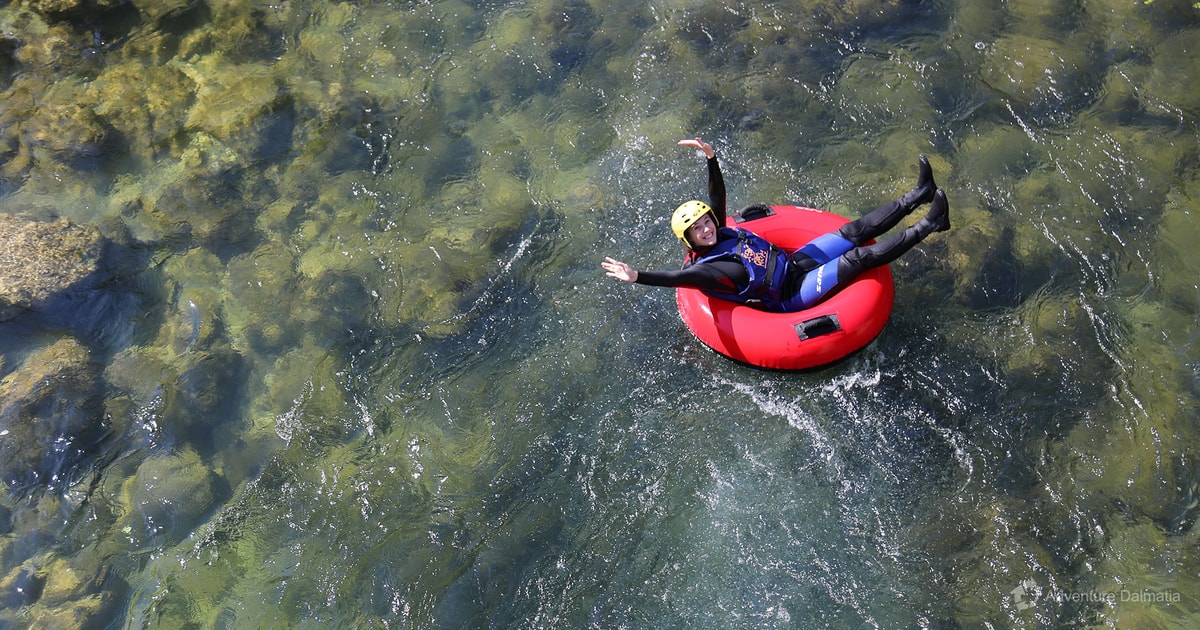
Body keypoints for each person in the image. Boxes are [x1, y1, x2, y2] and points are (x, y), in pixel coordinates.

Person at [601, 138, 950, 312]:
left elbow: (718, 196)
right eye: (698, 230)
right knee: (857, 257)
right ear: (689, 241)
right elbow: (677, 279)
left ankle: (918, 195)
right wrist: (638, 277)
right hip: (791, 294)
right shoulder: (707, 271)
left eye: (706, 222)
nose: (707, 228)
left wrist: (710, 157)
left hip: (793, 261)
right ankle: (931, 224)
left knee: (852, 232)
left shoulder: (719, 230)